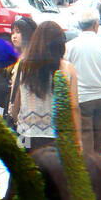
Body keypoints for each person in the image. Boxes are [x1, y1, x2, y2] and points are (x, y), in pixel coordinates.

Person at [8, 20, 81, 152]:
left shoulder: (23, 65)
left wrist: (14, 117)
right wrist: (77, 138)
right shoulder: (67, 68)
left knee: (26, 170)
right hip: (56, 136)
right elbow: (74, 106)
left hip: (26, 134)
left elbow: (15, 99)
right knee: (52, 171)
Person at [64, 9, 101, 156]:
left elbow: (66, 72)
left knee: (85, 141)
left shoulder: (70, 46)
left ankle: (89, 173)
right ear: (96, 25)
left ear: (80, 26)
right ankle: (100, 169)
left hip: (82, 98)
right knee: (100, 141)